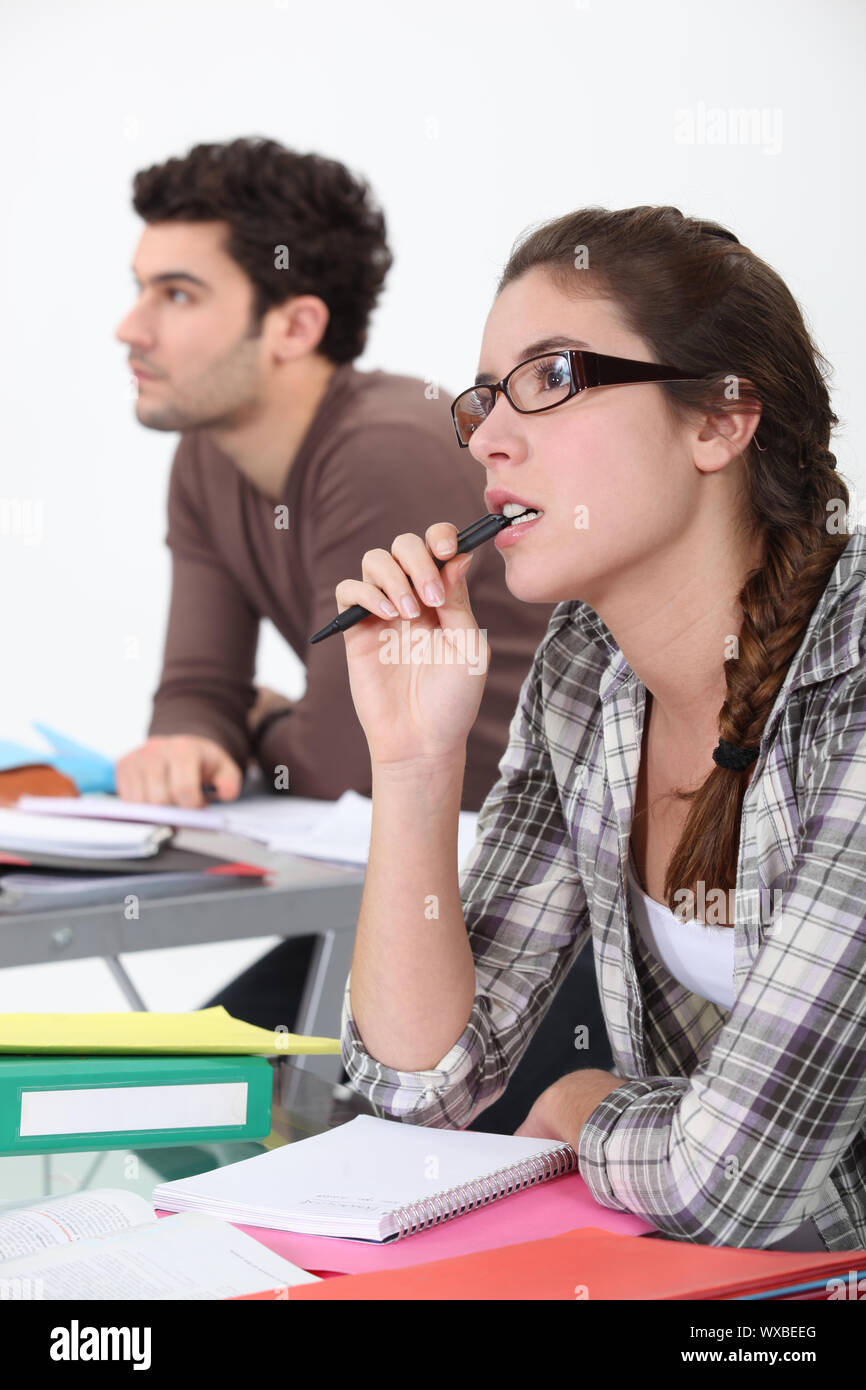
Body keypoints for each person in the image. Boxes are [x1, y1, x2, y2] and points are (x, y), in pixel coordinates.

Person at [335, 203, 866, 1251]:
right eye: (484, 400)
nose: (487, 435)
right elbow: (414, 1085)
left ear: (717, 419)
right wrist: (413, 758)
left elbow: (735, 1182)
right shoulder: (585, 670)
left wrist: (585, 1105)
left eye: (550, 379)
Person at [112, 138, 612, 1120]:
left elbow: (344, 752)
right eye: (138, 289)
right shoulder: (211, 461)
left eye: (174, 294)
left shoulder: (379, 447)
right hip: (388, 888)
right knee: (162, 1100)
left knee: (214, 1107)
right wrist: (201, 730)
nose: (129, 327)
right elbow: (196, 690)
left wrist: (260, 726)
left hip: (520, 916)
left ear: (295, 322)